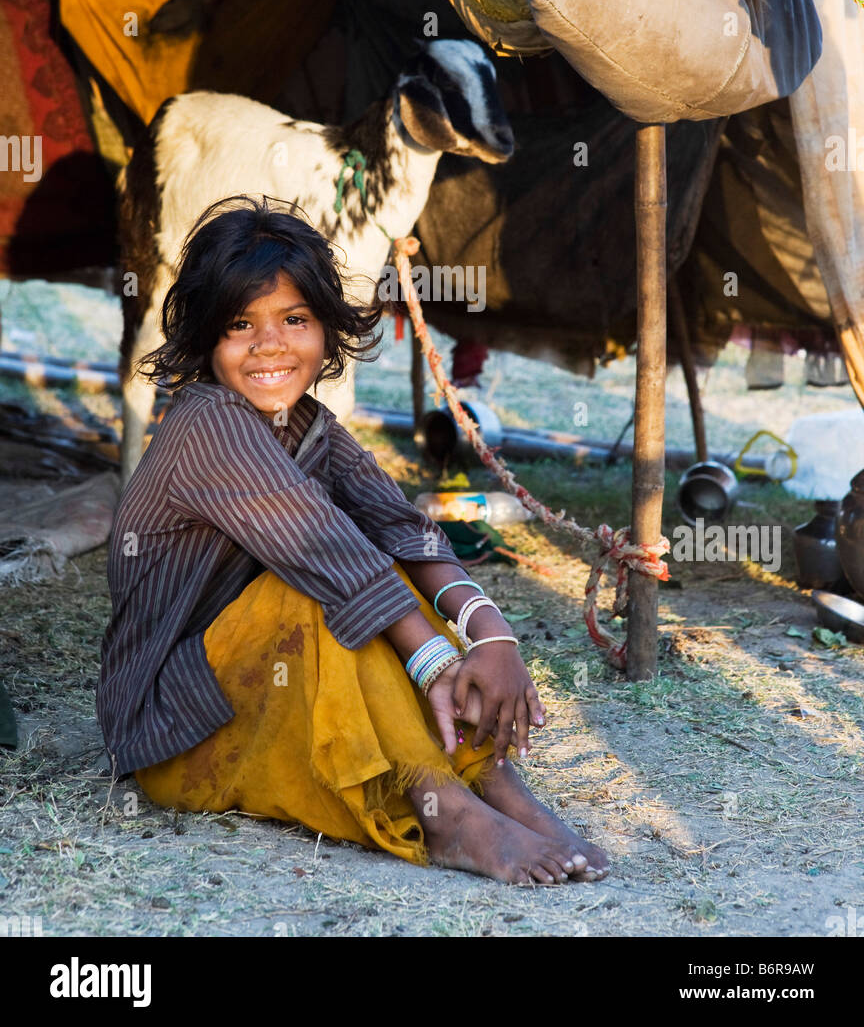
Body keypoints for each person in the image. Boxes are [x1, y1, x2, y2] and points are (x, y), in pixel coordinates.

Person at [97, 195, 609, 886]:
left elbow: (405, 530)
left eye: (295, 319)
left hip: (264, 693)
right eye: (239, 325)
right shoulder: (205, 421)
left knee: (386, 569)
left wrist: (492, 637)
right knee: (318, 589)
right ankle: (446, 810)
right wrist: (433, 662)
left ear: (326, 329)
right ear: (206, 342)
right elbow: (326, 551)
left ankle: (494, 781)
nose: (270, 345)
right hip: (176, 729)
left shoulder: (310, 426)